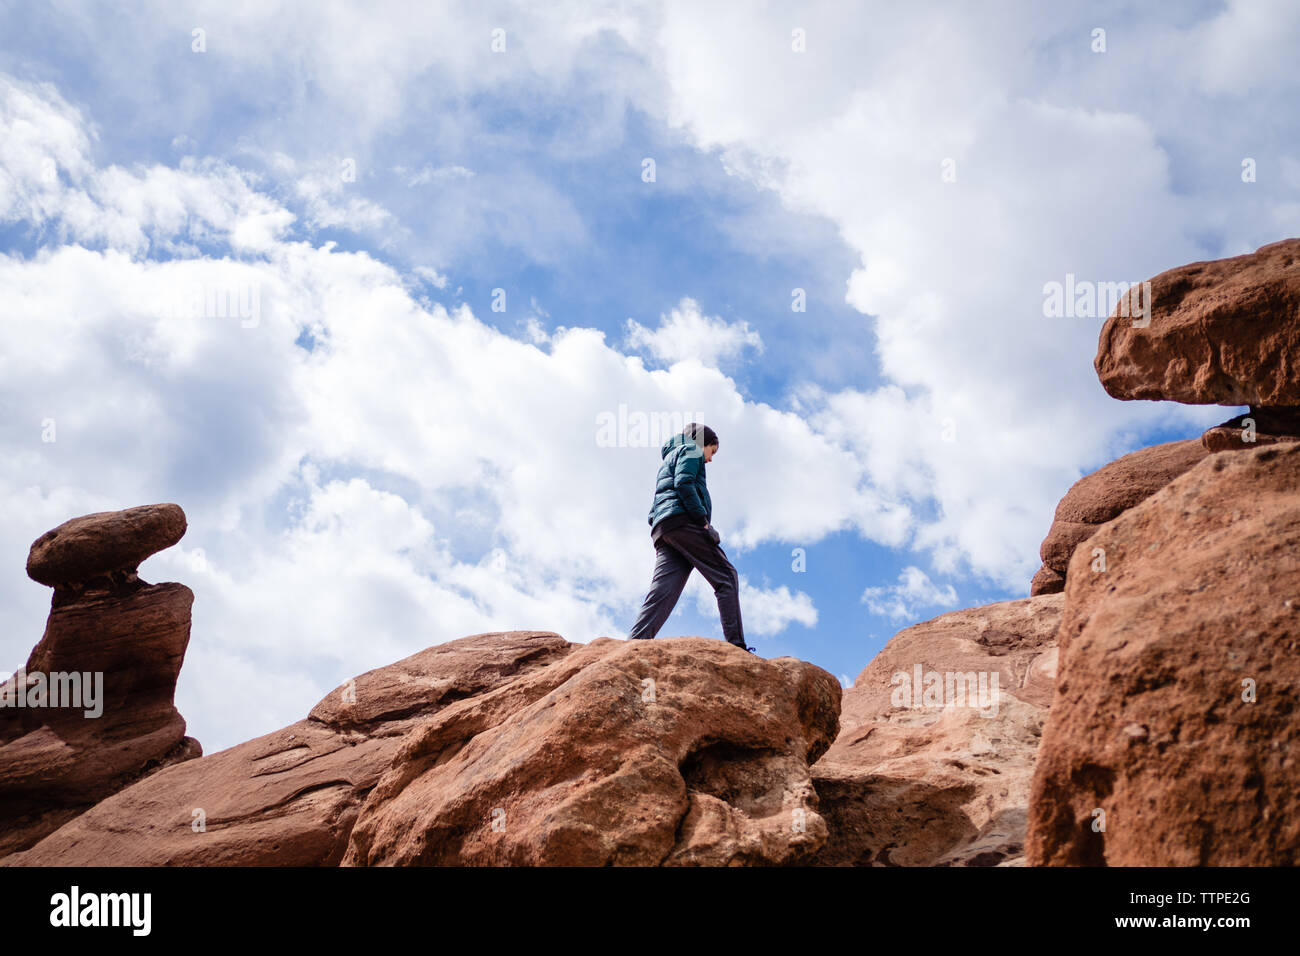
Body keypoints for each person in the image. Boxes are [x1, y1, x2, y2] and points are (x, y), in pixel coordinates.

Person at [627, 423, 754, 653]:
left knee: (663, 591)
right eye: (712, 451)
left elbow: (660, 498)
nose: (710, 459)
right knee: (726, 577)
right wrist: (703, 521)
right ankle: (737, 647)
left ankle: (635, 643)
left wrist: (658, 521)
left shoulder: (669, 458)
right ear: (703, 442)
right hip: (684, 522)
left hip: (665, 529)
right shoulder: (692, 450)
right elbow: (683, 483)